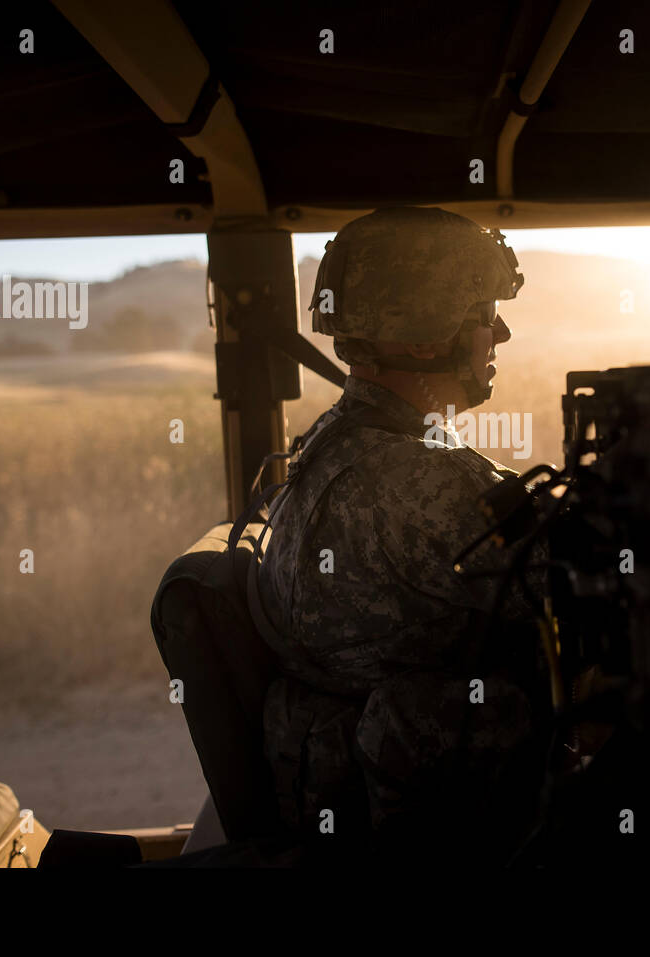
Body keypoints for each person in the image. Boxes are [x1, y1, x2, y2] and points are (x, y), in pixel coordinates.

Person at [249, 206, 548, 862]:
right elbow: (572, 588)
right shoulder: (416, 477)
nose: (499, 329)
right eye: (482, 312)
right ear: (420, 338)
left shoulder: (332, 443)